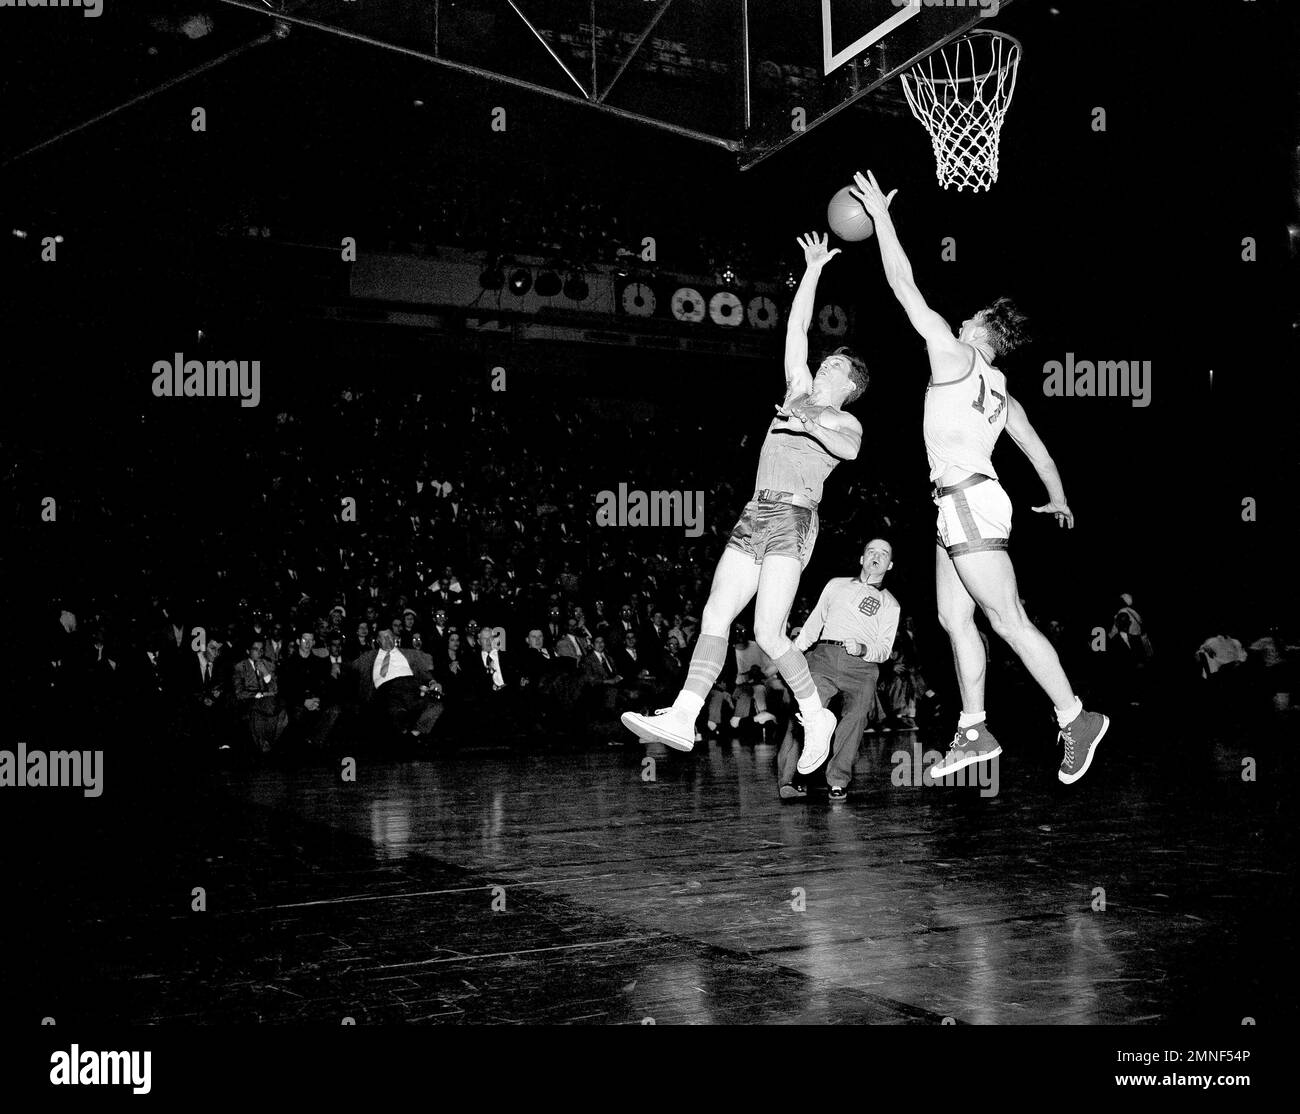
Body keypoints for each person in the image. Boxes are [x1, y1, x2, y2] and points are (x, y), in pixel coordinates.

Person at [849, 169, 1108, 785]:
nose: (959, 321)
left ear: (983, 333)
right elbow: (1040, 454)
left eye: (970, 319)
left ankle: (1075, 716)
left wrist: (882, 219)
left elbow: (903, 284)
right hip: (962, 504)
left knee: (1008, 617)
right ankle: (974, 728)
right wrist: (1059, 499)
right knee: (952, 618)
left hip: (967, 500)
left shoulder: (955, 355)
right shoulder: (1005, 393)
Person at [622, 232, 866, 775]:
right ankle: (683, 718)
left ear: (850, 386)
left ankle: (814, 715)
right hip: (755, 512)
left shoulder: (843, 419)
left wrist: (808, 421)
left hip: (795, 519)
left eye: (834, 368)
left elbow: (847, 450)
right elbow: (798, 328)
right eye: (824, 364)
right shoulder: (798, 386)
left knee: (768, 632)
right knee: (714, 612)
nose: (823, 367)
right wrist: (812, 270)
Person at [776, 538, 900, 800]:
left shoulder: (891, 604)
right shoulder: (836, 584)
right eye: (871, 551)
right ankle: (792, 779)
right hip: (824, 657)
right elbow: (814, 622)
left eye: (883, 553)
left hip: (862, 668)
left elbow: (884, 649)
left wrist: (864, 649)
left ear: (889, 565)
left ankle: (838, 780)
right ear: (861, 559)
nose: (876, 556)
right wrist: (793, 653)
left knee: (854, 722)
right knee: (804, 716)